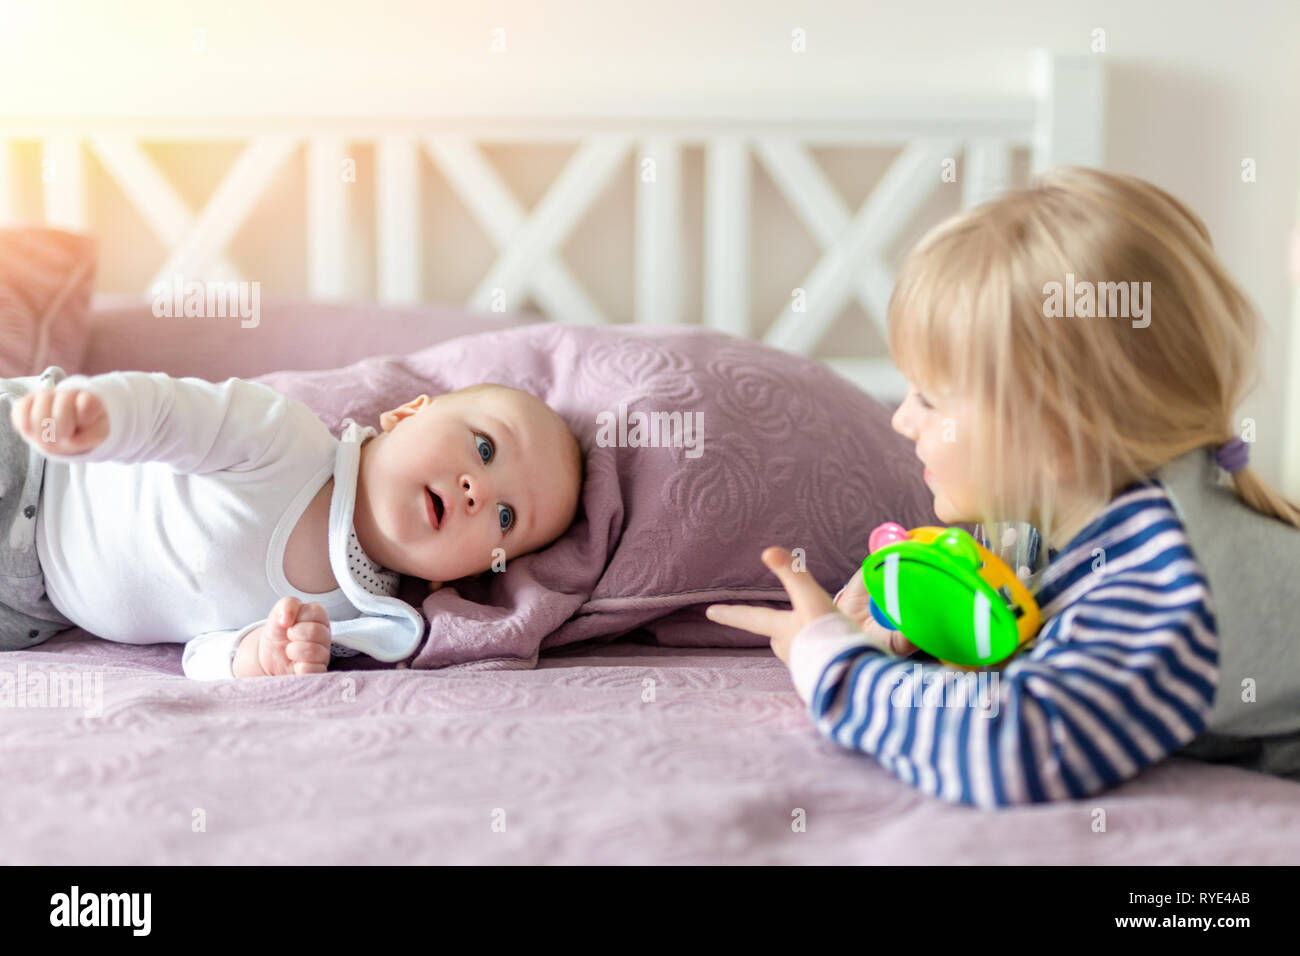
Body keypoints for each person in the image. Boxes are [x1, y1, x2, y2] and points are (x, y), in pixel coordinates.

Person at [708, 166, 1300, 808]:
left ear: (1059, 442)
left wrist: (832, 665)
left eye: (929, 400)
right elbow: (1049, 644)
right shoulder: (1092, 520)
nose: (900, 420)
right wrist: (903, 639)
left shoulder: (1169, 582)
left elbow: (1018, 747)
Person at [2, 371, 582, 679]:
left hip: (30, 608)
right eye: (483, 447)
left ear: (459, 575)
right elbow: (169, 412)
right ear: (406, 415)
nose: (477, 491)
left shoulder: (354, 625)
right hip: (35, 465)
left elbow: (200, 653)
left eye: (506, 517)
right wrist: (103, 415)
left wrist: (258, 657)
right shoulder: (283, 438)